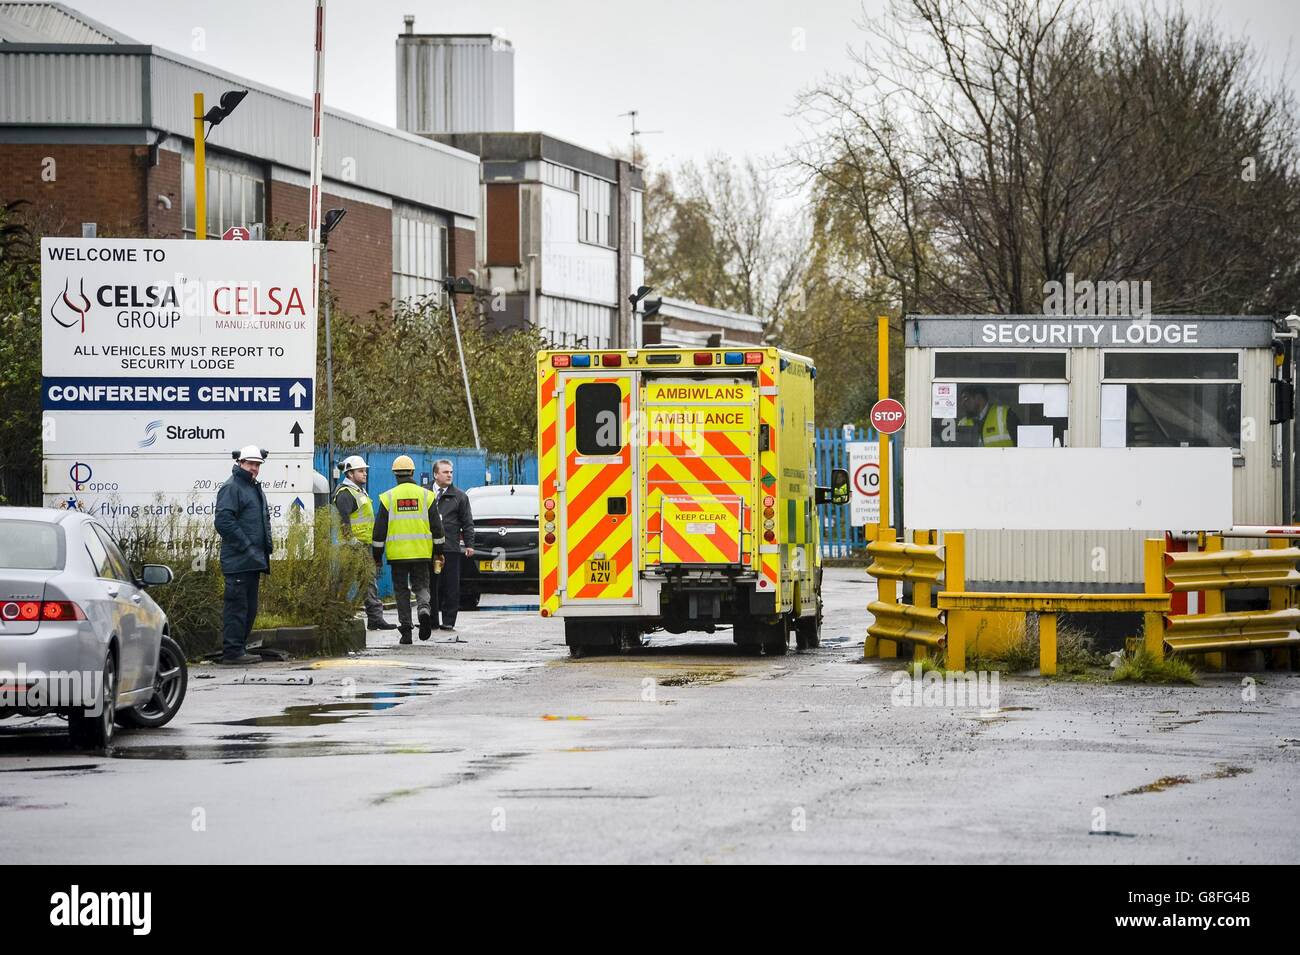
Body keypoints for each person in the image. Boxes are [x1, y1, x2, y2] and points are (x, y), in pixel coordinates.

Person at [371, 455, 446, 644]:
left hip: (398, 555)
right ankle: (424, 610)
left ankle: (406, 631)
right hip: (421, 553)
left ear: (395, 474)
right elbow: (437, 528)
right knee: (421, 586)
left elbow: (379, 531)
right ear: (412, 472)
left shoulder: (388, 497)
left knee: (401, 591)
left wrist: (377, 556)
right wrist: (439, 551)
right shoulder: (426, 496)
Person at [214, 445, 273, 665]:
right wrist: (247, 547)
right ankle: (232, 652)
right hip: (239, 560)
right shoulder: (233, 487)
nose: (254, 469)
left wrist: (263, 548)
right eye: (250, 464)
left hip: (252, 561)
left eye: (257, 465)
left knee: (248, 608)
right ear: (240, 463)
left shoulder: (250, 486)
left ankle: (238, 648)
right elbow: (223, 521)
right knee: (237, 608)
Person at [333, 454, 396, 632]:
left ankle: (375, 619)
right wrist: (349, 539)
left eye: (365, 470)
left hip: (363, 545)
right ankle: (336, 615)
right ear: (350, 473)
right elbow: (343, 519)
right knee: (344, 581)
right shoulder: (345, 493)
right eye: (361, 471)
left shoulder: (359, 491)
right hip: (352, 546)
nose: (365, 474)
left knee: (368, 581)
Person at [431, 459, 475, 638]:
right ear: (435, 474)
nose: (449, 475)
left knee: (451, 586)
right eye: (445, 472)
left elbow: (467, 522)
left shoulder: (460, 496)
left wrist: (470, 544)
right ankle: (432, 619)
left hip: (451, 548)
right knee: (432, 585)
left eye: (451, 472)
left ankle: (448, 620)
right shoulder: (425, 494)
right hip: (430, 549)